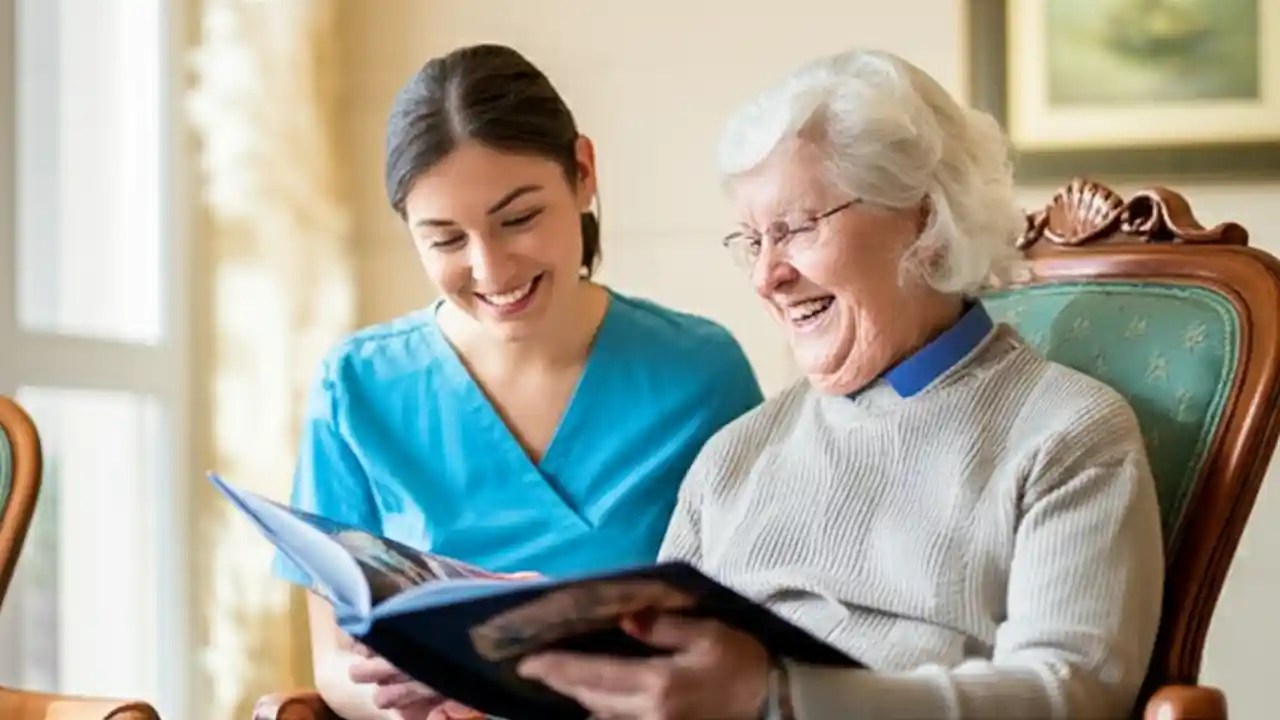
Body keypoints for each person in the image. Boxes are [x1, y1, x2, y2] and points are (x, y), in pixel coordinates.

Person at [516, 48, 1165, 719]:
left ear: (926, 219)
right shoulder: (736, 455)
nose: (767, 276)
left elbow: (1071, 693)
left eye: (795, 229)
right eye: (751, 240)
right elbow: (655, 680)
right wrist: (503, 679)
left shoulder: (1065, 432)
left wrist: (781, 698)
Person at [274, 43, 764, 720]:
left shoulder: (702, 375)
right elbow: (334, 665)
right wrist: (416, 699)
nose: (492, 269)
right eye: (446, 239)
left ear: (583, 173)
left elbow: (751, 637)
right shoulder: (356, 386)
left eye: (519, 219)